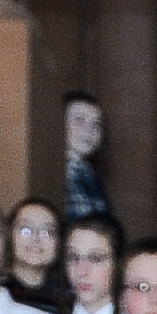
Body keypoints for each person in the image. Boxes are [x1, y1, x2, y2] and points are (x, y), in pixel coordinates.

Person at [61, 89, 111, 219]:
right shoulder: (54, 172)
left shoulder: (89, 174)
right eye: (79, 120)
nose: (89, 130)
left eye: (96, 124)